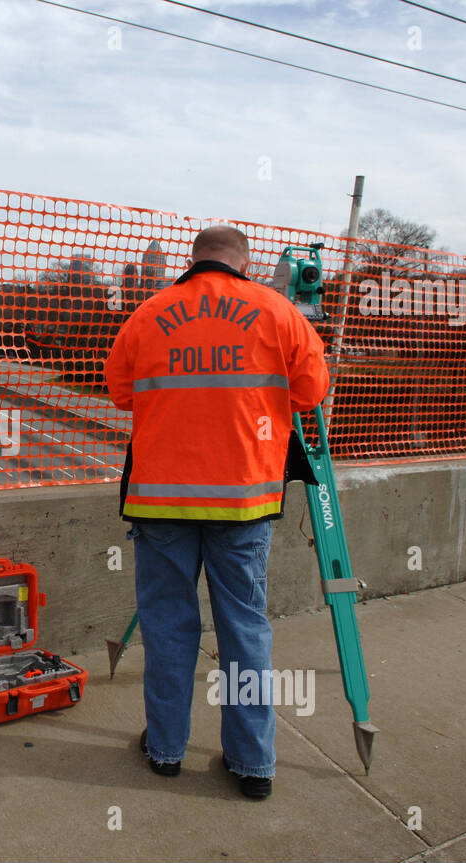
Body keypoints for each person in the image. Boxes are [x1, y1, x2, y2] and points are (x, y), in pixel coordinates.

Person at [103, 225, 329, 799]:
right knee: (245, 631)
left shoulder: (147, 314)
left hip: (160, 503)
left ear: (194, 258)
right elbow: (311, 393)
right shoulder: (279, 314)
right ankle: (253, 767)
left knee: (168, 628)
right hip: (244, 504)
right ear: (245, 263)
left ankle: (165, 751)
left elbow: (121, 394)